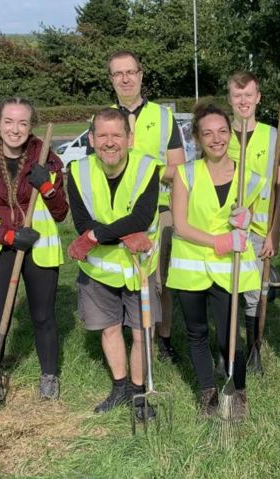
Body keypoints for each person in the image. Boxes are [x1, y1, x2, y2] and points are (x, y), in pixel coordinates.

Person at [0, 97, 67, 406]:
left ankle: (49, 376)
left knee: (43, 316)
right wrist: (8, 235)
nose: (15, 129)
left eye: (22, 123)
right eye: (9, 121)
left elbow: (61, 213)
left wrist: (47, 187)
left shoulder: (45, 157)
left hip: (39, 247)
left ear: (31, 126)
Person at [167, 103, 265, 419]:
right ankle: (208, 392)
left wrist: (247, 217)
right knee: (196, 332)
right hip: (191, 267)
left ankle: (238, 392)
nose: (216, 138)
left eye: (222, 131)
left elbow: (256, 218)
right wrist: (220, 241)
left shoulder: (247, 177)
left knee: (227, 334)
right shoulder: (185, 174)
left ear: (231, 135)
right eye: (207, 133)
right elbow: (180, 224)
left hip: (228, 270)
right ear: (197, 138)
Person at [67, 108, 161, 422]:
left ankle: (138, 391)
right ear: (91, 139)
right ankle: (120, 386)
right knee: (109, 329)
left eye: (116, 135)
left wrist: (94, 235)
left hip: (139, 267)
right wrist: (111, 235)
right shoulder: (78, 172)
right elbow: (82, 222)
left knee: (139, 332)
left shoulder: (148, 168)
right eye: (102, 135)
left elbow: (141, 218)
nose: (110, 142)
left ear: (129, 138)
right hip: (98, 270)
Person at [99, 50, 186, 363]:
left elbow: (178, 168)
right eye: (118, 73)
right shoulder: (103, 118)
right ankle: (126, 336)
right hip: (114, 211)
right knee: (116, 276)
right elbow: (94, 167)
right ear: (111, 79)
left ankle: (162, 339)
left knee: (161, 281)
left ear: (141, 74)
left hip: (158, 210)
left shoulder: (163, 117)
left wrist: (148, 172)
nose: (125, 78)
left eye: (130, 72)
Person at [226, 71, 280, 372]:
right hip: (225, 228)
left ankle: (254, 352)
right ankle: (228, 348)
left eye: (248, 95)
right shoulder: (220, 134)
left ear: (258, 97)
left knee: (253, 294)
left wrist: (275, 233)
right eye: (237, 96)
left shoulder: (275, 137)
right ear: (230, 99)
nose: (243, 101)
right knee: (227, 290)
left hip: (259, 230)